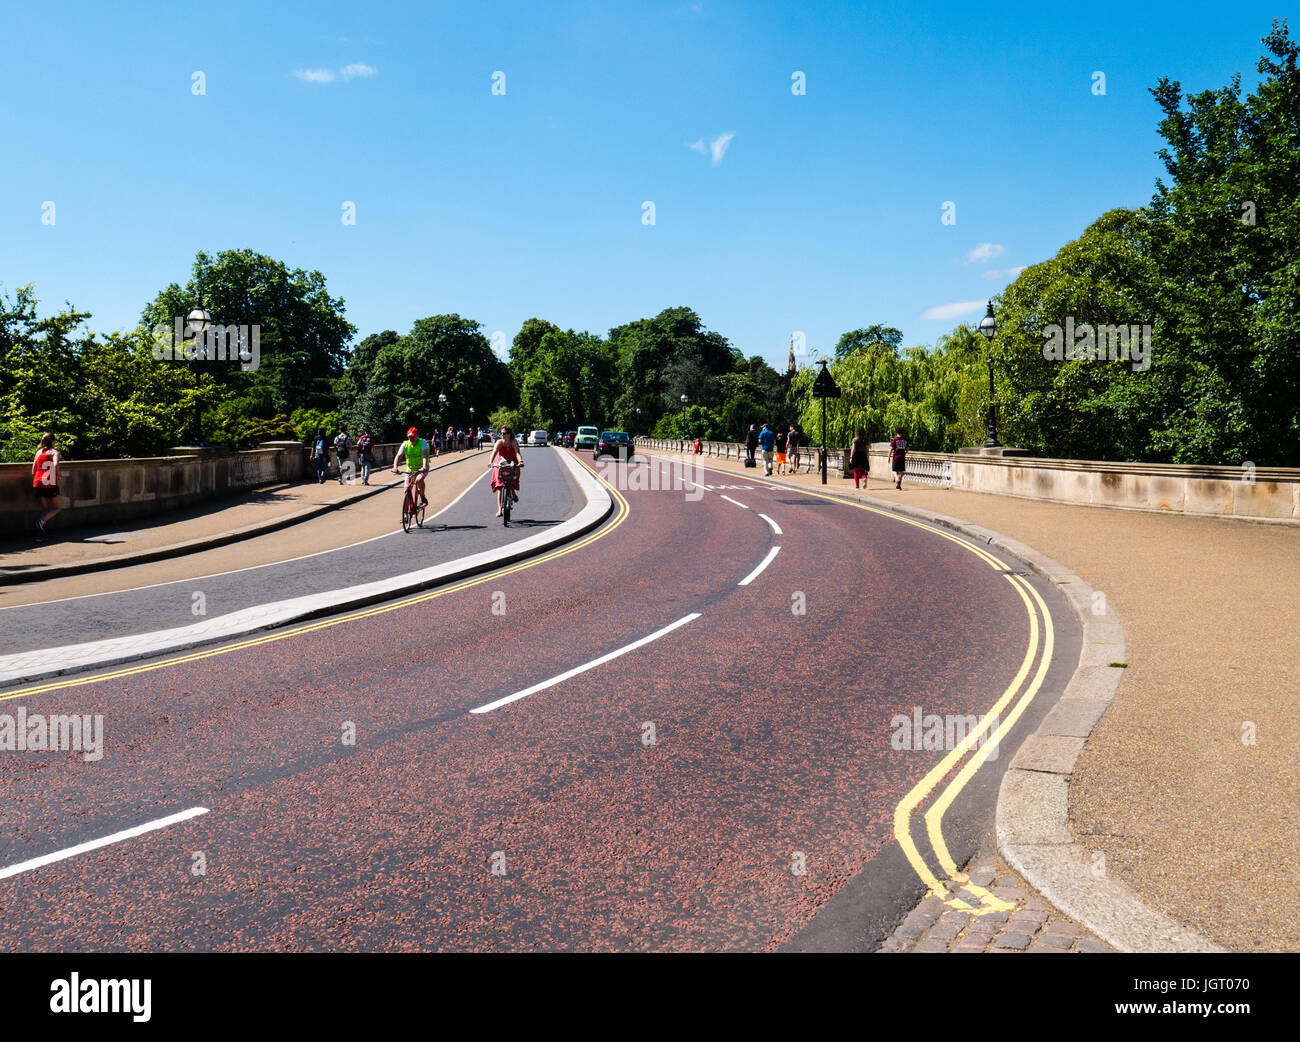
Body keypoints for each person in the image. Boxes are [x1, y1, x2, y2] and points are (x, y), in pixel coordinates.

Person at [31, 433, 62, 538]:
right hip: (50, 483)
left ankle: (40, 532)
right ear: (53, 441)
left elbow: (33, 470)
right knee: (57, 507)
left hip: (38, 482)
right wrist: (57, 473)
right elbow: (56, 464)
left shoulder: (38, 452)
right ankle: (41, 522)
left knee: (46, 508)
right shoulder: (55, 452)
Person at [489, 425, 524, 517]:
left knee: (511, 480)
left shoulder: (513, 442)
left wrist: (520, 461)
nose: (502, 435)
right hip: (502, 463)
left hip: (512, 462)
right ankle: (499, 509)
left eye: (504, 433)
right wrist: (491, 462)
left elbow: (517, 452)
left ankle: (513, 492)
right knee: (500, 486)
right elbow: (494, 452)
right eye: (501, 433)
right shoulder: (499, 442)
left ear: (509, 434)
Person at [391, 427, 430, 507]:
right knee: (407, 491)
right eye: (409, 436)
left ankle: (423, 497)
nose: (411, 438)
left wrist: (424, 467)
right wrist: (395, 467)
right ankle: (405, 515)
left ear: (417, 436)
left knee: (419, 479)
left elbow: (424, 456)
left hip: (422, 468)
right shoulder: (405, 444)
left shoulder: (423, 442)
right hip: (410, 469)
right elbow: (398, 455)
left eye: (413, 436)